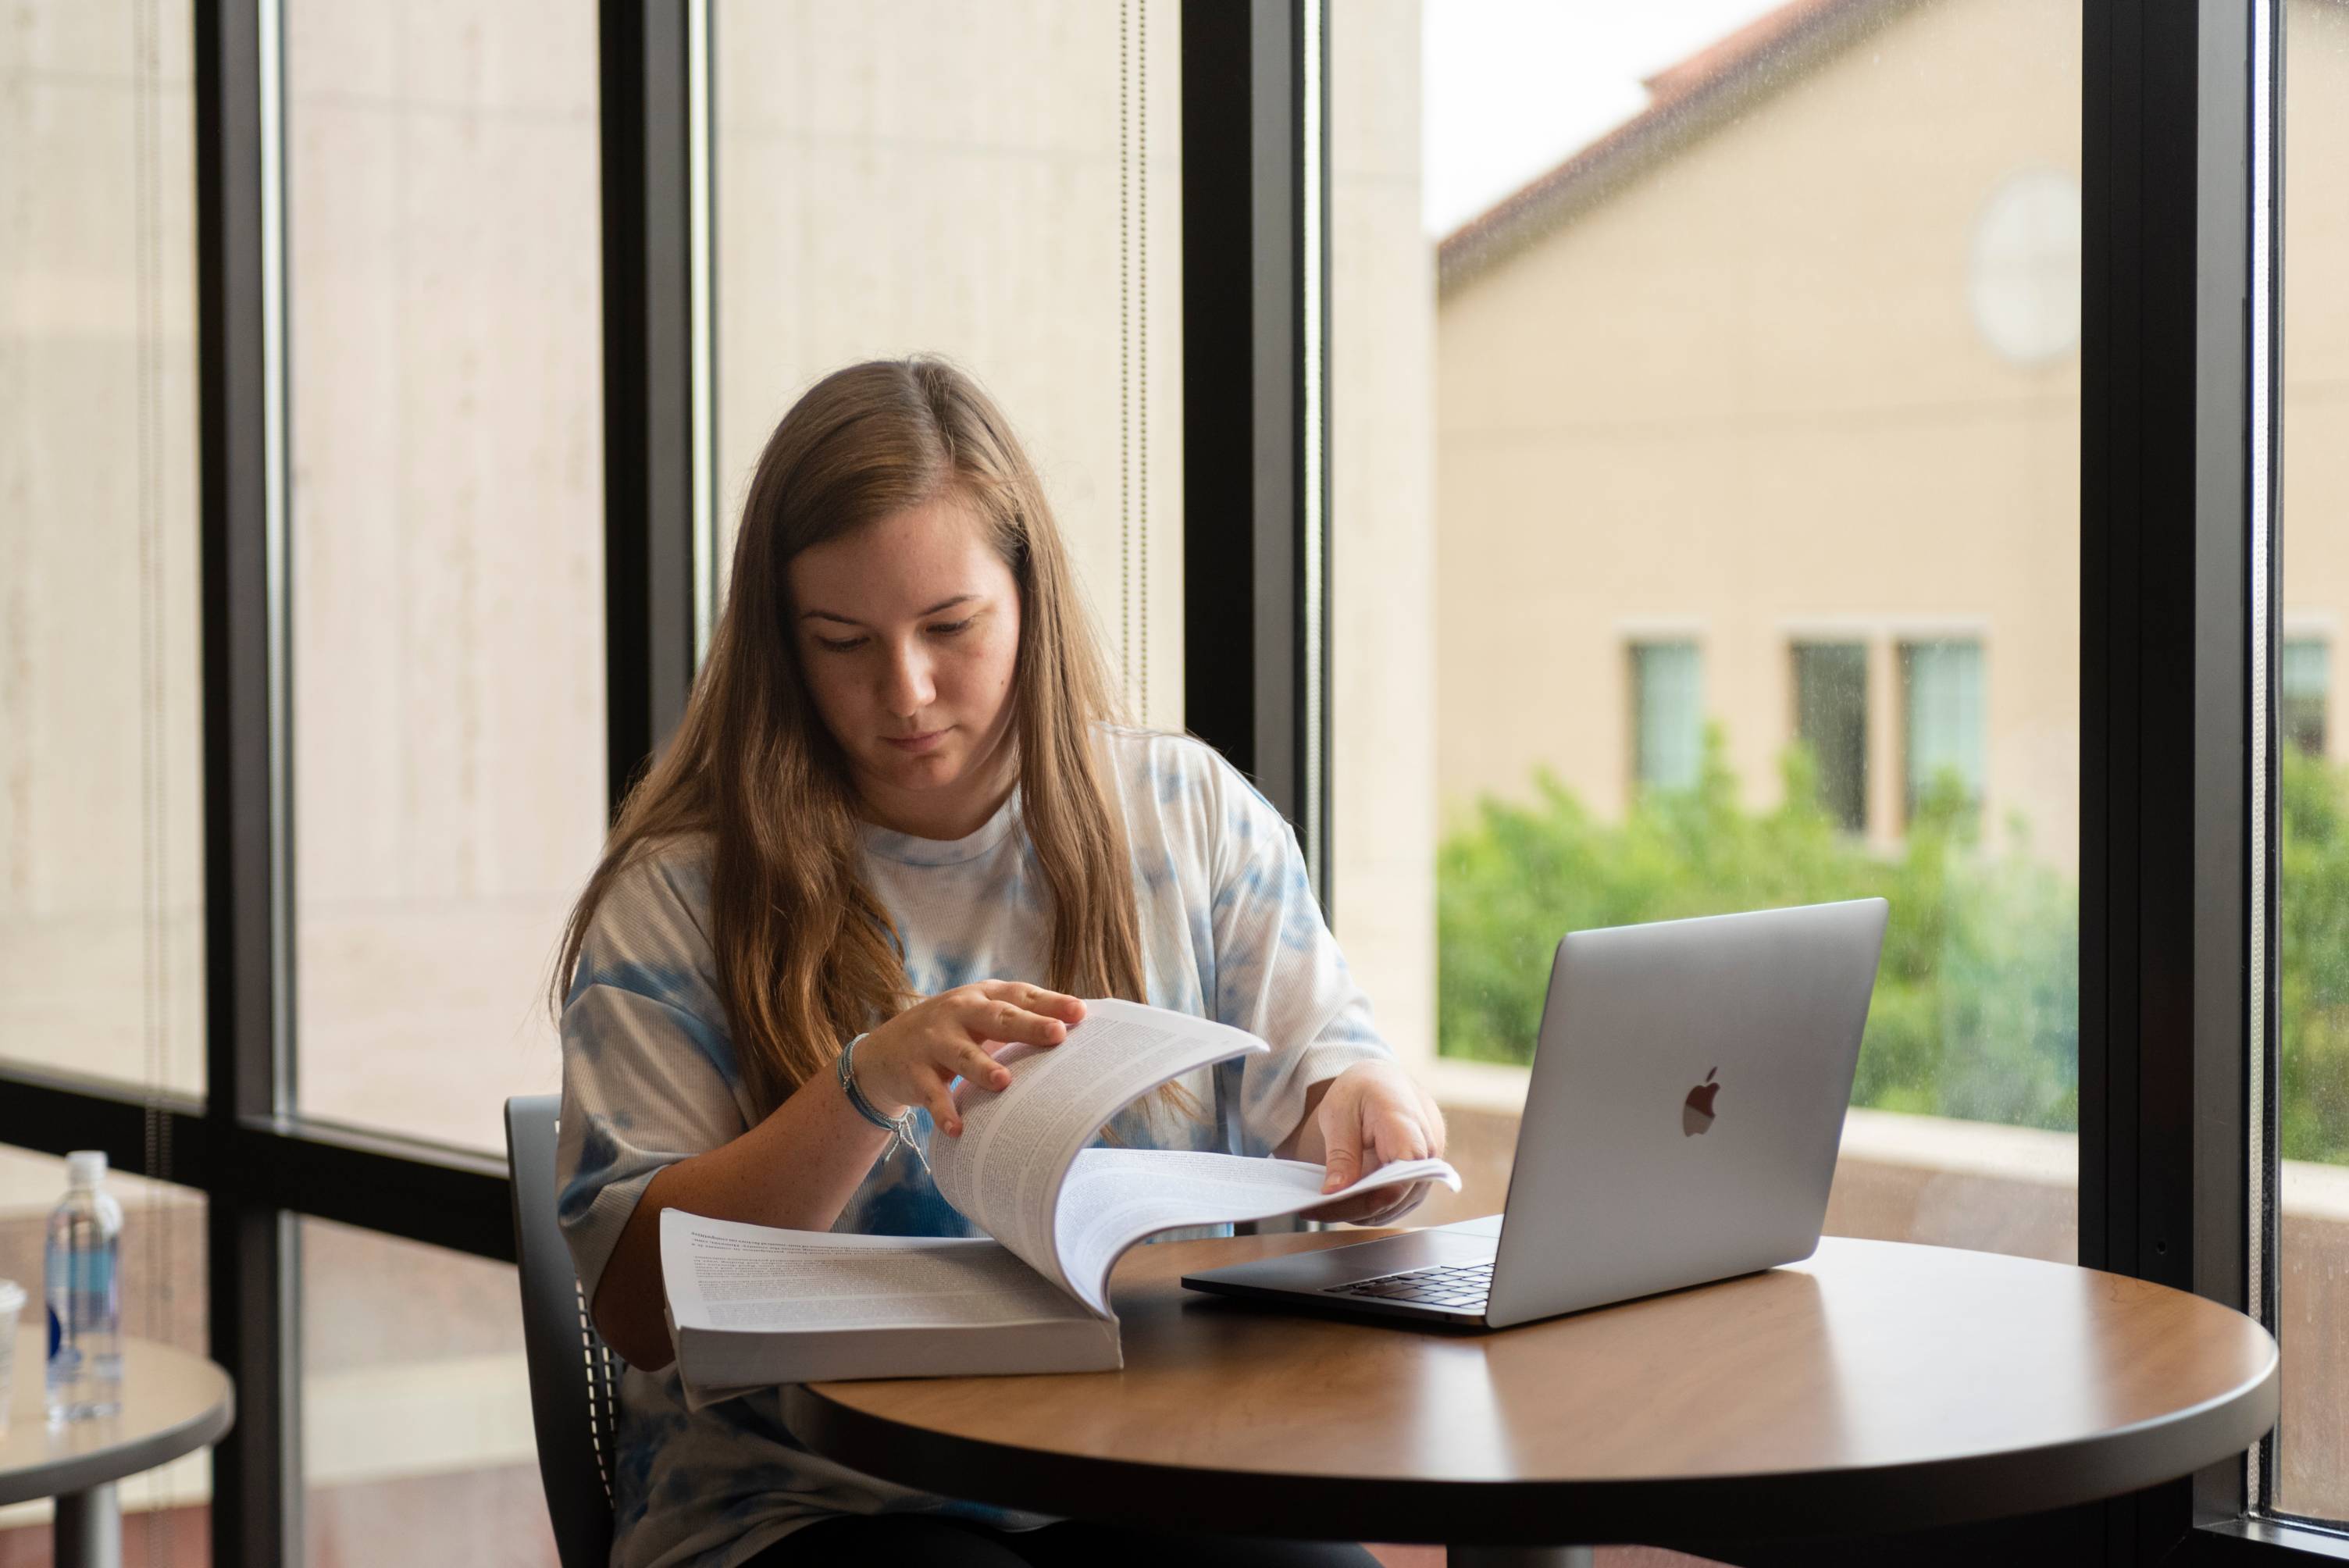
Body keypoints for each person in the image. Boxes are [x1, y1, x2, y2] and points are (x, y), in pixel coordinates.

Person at [551, 356, 1447, 1568]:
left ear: (1029, 597)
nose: (905, 691)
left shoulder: (1188, 816)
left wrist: (1365, 1106)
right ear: (779, 642)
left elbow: (1327, 1089)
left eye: (950, 629)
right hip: (803, 1504)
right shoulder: (680, 894)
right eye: (843, 642)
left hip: (1152, 1460)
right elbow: (638, 1312)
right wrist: (863, 1087)